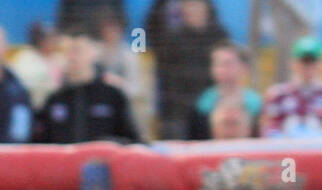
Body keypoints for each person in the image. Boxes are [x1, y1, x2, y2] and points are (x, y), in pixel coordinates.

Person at [35, 30, 139, 143]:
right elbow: (41, 145)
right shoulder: (54, 100)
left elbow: (132, 142)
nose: (70, 57)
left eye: (76, 50)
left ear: (94, 52)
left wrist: (106, 147)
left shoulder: (112, 96)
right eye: (65, 51)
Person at [145, 0, 228, 139]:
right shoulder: (173, 39)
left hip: (212, 104)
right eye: (189, 6)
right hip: (180, 107)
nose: (193, 10)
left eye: (197, 5)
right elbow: (166, 80)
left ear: (206, 8)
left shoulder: (220, 36)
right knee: (174, 127)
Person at [262, 36, 322, 138]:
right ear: (293, 63)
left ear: (321, 64)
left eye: (312, 61)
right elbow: (268, 129)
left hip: (320, 150)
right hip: (285, 150)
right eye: (304, 61)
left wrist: (319, 134)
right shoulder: (277, 94)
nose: (308, 66)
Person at [188, 42, 261, 139]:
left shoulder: (256, 104)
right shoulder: (202, 104)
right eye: (217, 64)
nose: (222, 69)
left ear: (244, 67)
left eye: (227, 64)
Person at [9, 21, 63, 110]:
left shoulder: (58, 58)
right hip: (34, 108)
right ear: (39, 41)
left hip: (54, 108)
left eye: (55, 38)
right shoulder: (26, 58)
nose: (55, 41)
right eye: (50, 38)